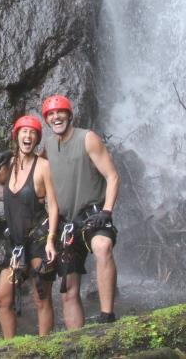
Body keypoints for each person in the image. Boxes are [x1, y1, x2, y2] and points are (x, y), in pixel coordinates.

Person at [40, 94, 120, 327]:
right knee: (68, 291)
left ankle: (107, 317)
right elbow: (32, 170)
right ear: (47, 120)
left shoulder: (88, 138)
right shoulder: (49, 146)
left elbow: (113, 176)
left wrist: (106, 211)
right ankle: (77, 339)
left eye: (60, 112)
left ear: (69, 114)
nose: (56, 117)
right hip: (66, 223)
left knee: (102, 246)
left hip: (93, 215)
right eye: (51, 114)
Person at [0, 115, 59, 338]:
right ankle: (10, 348)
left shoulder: (43, 166)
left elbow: (53, 205)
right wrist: (0, 164)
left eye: (32, 133)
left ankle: (44, 347)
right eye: (24, 132)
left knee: (41, 298)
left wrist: (51, 240)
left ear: (37, 139)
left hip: (38, 238)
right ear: (17, 136)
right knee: (2, 299)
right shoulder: (10, 164)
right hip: (15, 242)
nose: (28, 136)